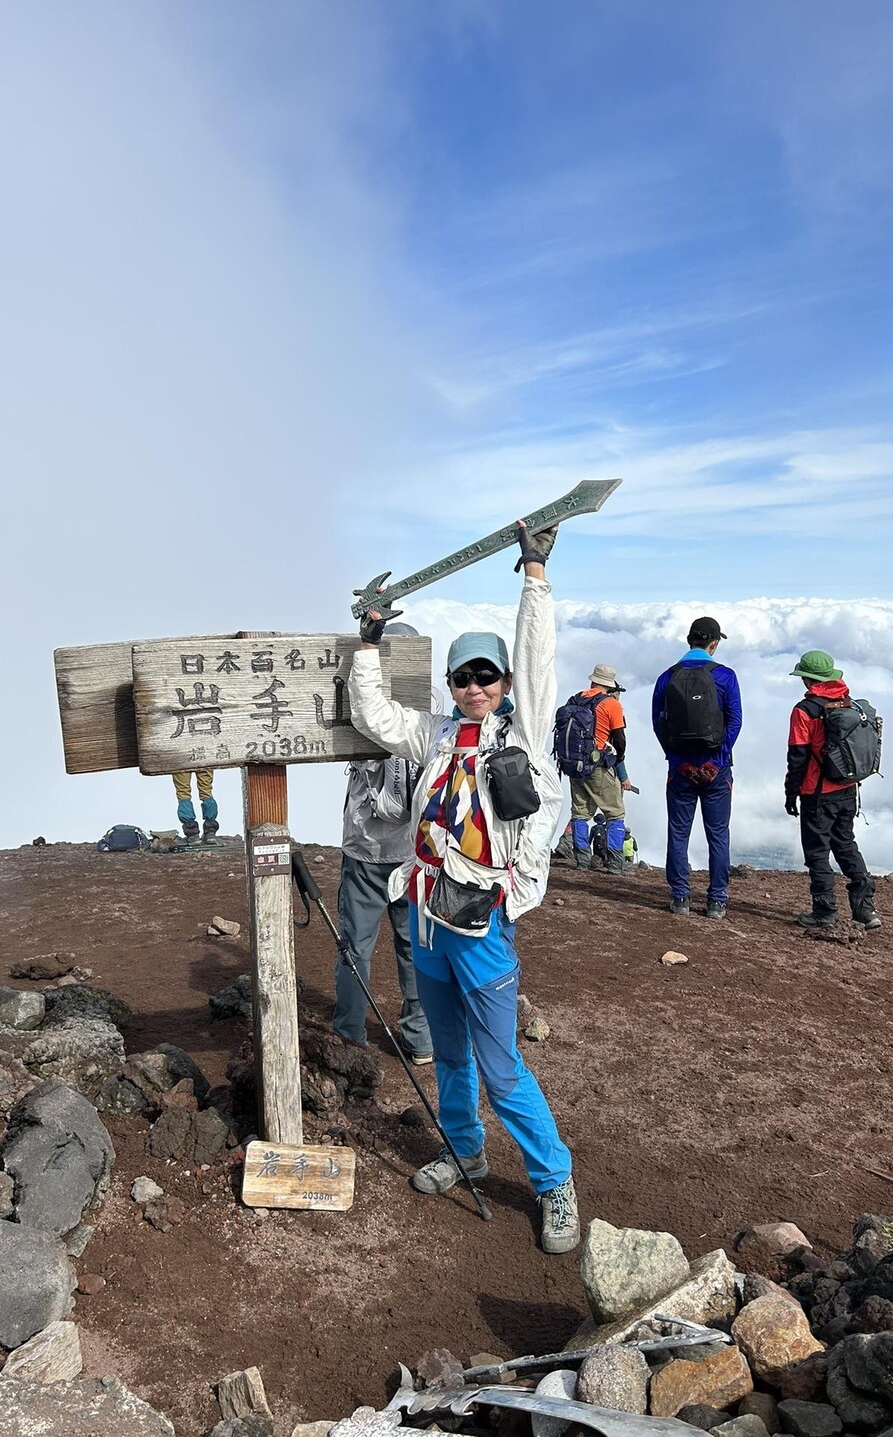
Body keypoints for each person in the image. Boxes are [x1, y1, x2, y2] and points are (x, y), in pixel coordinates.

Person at [348, 522, 579, 1255]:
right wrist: (367, 645)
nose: (476, 687)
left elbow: (542, 664)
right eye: (464, 677)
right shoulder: (438, 737)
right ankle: (466, 1151)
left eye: (488, 676)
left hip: (482, 923)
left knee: (501, 1067)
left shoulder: (524, 737)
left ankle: (554, 1183)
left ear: (505, 684)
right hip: (425, 916)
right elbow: (374, 716)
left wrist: (534, 576)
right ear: (451, 685)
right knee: (449, 1055)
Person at [333, 624, 433, 1065]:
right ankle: (420, 1036)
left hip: (367, 851)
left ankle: (350, 1036)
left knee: (356, 947)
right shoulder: (429, 715)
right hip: (413, 854)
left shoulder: (365, 710)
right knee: (415, 948)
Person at [651, 616, 742, 919]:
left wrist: (677, 760)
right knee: (718, 834)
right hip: (717, 772)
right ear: (714, 644)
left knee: (678, 833)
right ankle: (716, 901)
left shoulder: (667, 677)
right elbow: (734, 721)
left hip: (680, 771)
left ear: (689, 640)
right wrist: (717, 762)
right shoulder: (725, 676)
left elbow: (659, 723)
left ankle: (680, 898)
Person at [784, 650, 881, 930]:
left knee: (817, 851)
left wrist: (792, 793)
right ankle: (865, 909)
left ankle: (824, 911)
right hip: (848, 787)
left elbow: (798, 756)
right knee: (846, 844)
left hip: (817, 793)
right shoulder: (848, 703)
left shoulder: (804, 711)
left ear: (807, 679)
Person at [563, 664, 633, 874]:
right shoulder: (610, 704)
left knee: (580, 813)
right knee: (615, 813)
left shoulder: (575, 699)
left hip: (574, 765)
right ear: (610, 685)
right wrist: (618, 760)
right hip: (598, 764)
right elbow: (619, 739)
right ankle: (615, 862)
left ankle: (582, 860)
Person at [172, 770, 218, 845]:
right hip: (203, 759)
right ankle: (210, 832)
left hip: (181, 761)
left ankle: (192, 834)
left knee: (183, 792)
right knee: (206, 790)